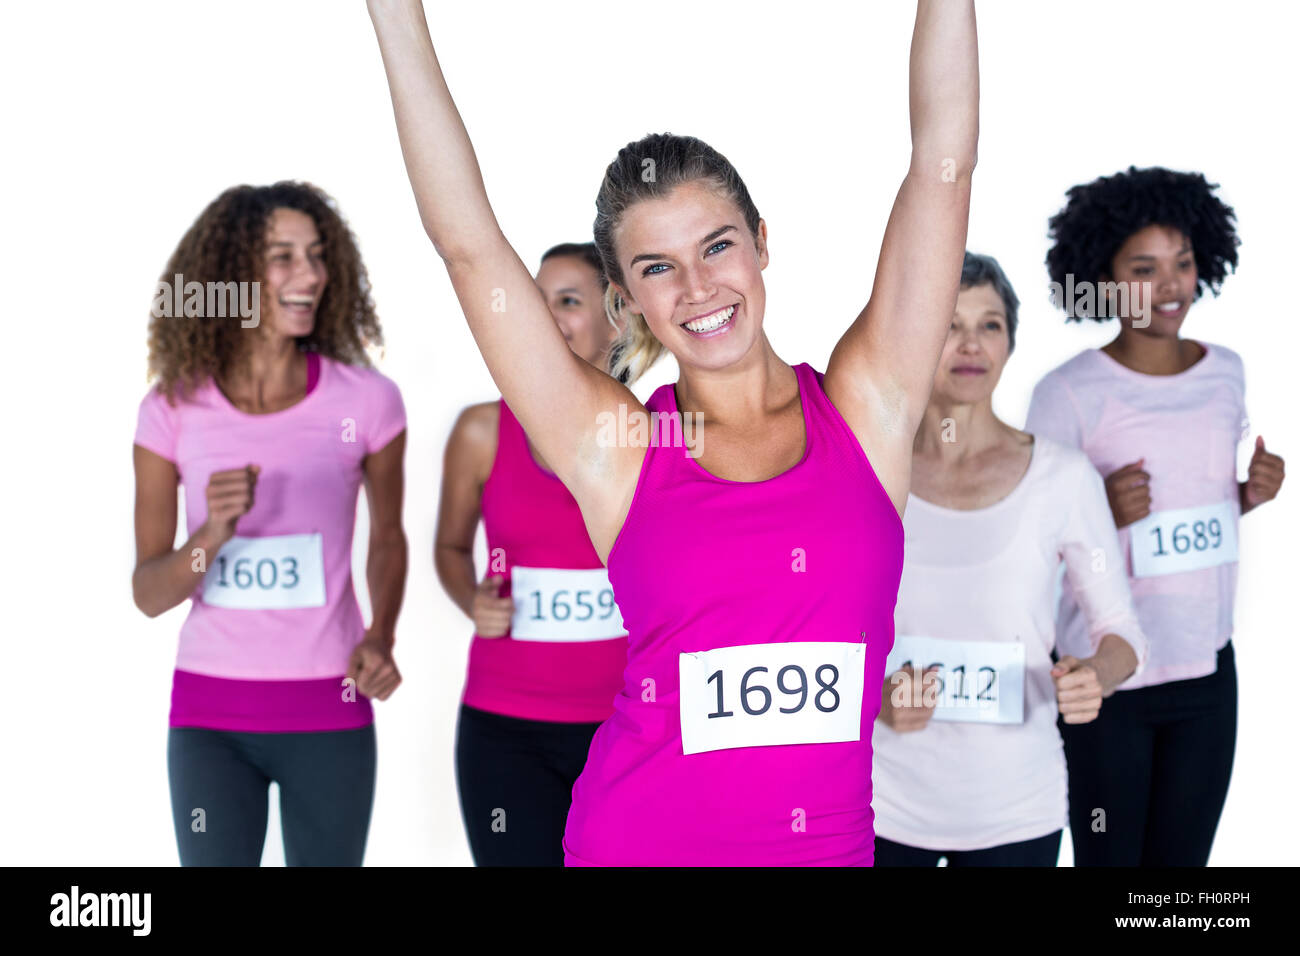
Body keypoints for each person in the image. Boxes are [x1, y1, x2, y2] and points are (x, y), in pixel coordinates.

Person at [368, 0, 977, 865]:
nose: (697, 288)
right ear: (628, 300)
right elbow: (469, 246)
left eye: (717, 246)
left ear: (762, 245)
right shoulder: (619, 450)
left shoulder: (868, 411)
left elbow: (943, 169)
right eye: (658, 267)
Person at [132, 182, 408, 866]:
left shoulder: (368, 401)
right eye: (282, 257)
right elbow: (149, 593)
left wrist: (382, 633)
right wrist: (209, 538)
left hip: (330, 709)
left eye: (316, 256)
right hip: (209, 719)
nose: (309, 274)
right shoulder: (172, 409)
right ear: (231, 275)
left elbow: (389, 536)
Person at [1026, 166, 1286, 866]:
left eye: (1183, 263)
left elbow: (1199, 507)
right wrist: (1098, 509)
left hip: (1206, 672)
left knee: (1180, 879)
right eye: (1143, 267)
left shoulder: (1227, 371)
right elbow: (1023, 539)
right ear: (1103, 276)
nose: (1170, 286)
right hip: (1107, 683)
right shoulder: (1069, 394)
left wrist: (1247, 495)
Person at [872, 253, 1145, 867]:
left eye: (990, 325)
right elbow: (823, 628)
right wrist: (878, 699)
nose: (971, 344)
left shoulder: (1064, 477)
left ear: (1011, 342)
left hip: (1017, 810)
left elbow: (1121, 631)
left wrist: (1097, 676)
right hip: (879, 802)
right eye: (949, 323)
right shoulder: (867, 471)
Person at [436, 242, 628, 866]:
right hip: (504, 729)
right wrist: (471, 598)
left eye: (567, 301)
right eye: (534, 300)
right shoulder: (481, 431)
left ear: (617, 318)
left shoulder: (656, 434)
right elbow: (449, 545)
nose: (544, 317)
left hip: (628, 731)